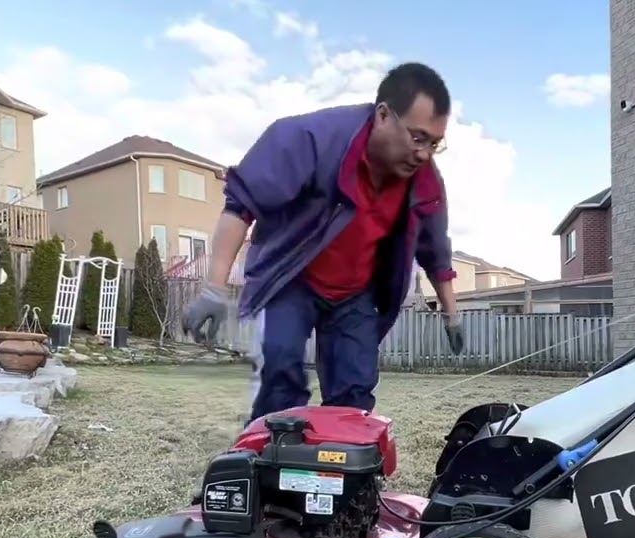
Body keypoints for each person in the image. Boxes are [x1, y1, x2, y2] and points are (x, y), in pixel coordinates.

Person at [182, 62, 464, 423]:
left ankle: (340, 474)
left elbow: (435, 252)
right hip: (293, 278)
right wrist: (214, 290)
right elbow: (240, 205)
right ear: (382, 116)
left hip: (357, 291)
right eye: (417, 137)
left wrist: (452, 314)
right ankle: (271, 463)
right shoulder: (312, 139)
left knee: (354, 395)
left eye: (434, 144)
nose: (424, 153)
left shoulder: (423, 182)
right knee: (281, 374)